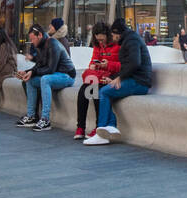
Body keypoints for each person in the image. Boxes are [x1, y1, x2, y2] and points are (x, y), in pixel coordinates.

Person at [84, 17, 152, 145]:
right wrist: (115, 78)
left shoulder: (131, 40)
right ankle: (110, 126)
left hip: (139, 82)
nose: (112, 37)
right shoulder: (128, 39)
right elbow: (127, 65)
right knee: (98, 90)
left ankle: (102, 131)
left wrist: (120, 78)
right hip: (134, 79)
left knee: (104, 92)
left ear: (117, 33)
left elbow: (134, 63)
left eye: (113, 34)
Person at [16, 23, 76, 131]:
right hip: (55, 75)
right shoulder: (40, 45)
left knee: (45, 79)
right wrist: (26, 72)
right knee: (30, 80)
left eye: (33, 39)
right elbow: (39, 65)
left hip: (67, 75)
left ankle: (45, 120)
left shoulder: (53, 43)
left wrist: (32, 72)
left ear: (39, 35)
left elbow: (50, 69)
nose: (32, 43)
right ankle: (31, 116)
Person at [74, 21, 120, 139]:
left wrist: (107, 64)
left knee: (96, 91)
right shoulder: (97, 46)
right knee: (83, 91)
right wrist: (93, 66)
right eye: (98, 40)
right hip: (99, 76)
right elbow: (93, 60)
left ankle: (98, 126)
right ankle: (80, 127)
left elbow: (122, 65)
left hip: (112, 77)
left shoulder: (117, 45)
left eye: (102, 39)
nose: (101, 42)